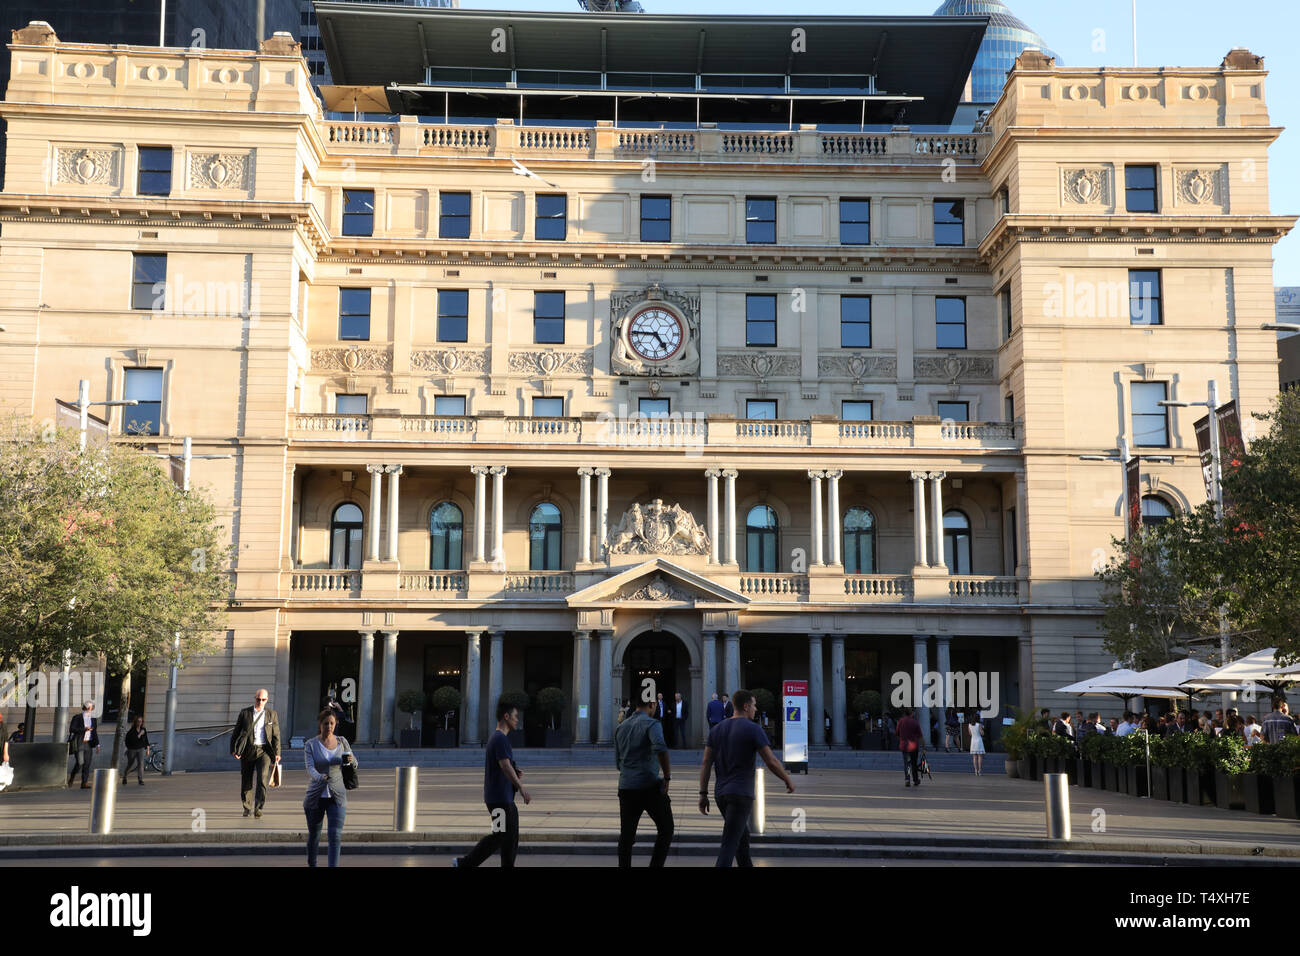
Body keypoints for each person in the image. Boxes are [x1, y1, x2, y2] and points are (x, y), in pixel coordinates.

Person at [698, 689, 794, 867]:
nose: (756, 709)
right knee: (730, 843)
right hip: (741, 793)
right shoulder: (753, 729)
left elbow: (705, 763)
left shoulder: (716, 729)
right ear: (746, 706)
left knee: (741, 840)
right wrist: (787, 779)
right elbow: (771, 761)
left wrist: (703, 793)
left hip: (721, 794)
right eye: (754, 705)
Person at [456, 699, 530, 867]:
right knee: (500, 836)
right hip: (499, 800)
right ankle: (464, 863)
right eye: (515, 716)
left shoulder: (498, 738)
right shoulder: (500, 739)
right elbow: (504, 766)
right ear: (506, 716)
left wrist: (515, 771)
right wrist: (521, 787)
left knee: (509, 838)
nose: (517, 720)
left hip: (502, 799)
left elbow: (505, 765)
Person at [613, 696, 673, 867]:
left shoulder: (621, 727)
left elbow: (618, 763)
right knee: (666, 828)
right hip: (649, 785)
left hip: (626, 786)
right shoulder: (652, 724)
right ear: (652, 704)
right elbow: (661, 748)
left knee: (626, 836)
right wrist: (667, 777)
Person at [303, 708, 356, 867]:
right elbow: (310, 768)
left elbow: (354, 764)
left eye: (332, 723)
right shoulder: (310, 744)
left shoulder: (342, 742)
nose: (329, 726)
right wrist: (320, 777)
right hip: (315, 798)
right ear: (320, 724)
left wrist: (351, 760)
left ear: (336, 724)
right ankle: (312, 864)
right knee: (314, 836)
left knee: (335, 835)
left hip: (337, 796)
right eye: (326, 723)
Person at [230, 688, 281, 818]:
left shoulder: (272, 714)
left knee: (262, 778)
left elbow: (276, 735)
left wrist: (277, 752)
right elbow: (236, 732)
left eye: (263, 700)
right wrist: (234, 749)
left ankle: (258, 808)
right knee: (246, 779)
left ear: (267, 700)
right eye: (258, 699)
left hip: (264, 751)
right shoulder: (245, 713)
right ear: (255, 698)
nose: (260, 702)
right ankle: (247, 807)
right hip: (248, 750)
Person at [67, 701, 100, 789]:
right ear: (86, 707)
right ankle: (72, 777)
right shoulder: (77, 717)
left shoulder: (93, 719)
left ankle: (84, 783)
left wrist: (97, 744)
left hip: (89, 743)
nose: (90, 708)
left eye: (91, 707)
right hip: (79, 743)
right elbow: (72, 729)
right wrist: (84, 729)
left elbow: (94, 732)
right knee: (80, 762)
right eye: (90, 707)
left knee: (87, 764)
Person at [897, 706, 924, 787]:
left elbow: (897, 733)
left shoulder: (900, 721)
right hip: (913, 746)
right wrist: (924, 746)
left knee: (907, 763)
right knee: (914, 763)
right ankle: (915, 780)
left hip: (904, 746)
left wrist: (902, 740)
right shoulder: (915, 722)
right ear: (911, 713)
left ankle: (907, 779)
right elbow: (920, 736)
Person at [121, 716, 149, 786]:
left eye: (141, 721)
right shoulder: (131, 731)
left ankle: (140, 779)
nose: (140, 723)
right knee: (131, 764)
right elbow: (132, 741)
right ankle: (125, 776)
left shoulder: (143, 729)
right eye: (138, 721)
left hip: (141, 749)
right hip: (132, 749)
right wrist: (139, 734)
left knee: (141, 763)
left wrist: (148, 749)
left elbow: (146, 740)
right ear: (135, 722)